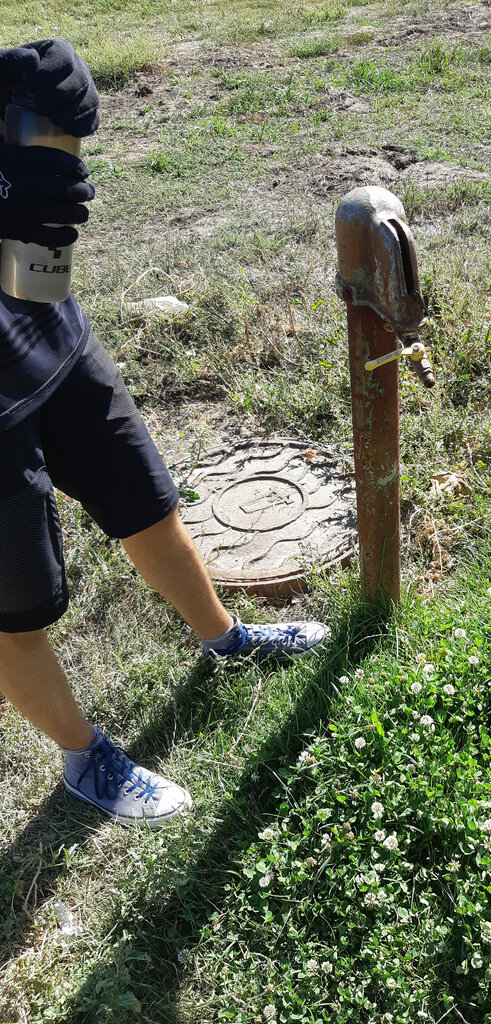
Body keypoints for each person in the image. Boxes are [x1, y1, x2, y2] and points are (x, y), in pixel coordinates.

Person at [0, 40, 328, 828]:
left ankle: (225, 639)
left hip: (46, 327)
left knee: (145, 499)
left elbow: (39, 220)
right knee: (13, 608)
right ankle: (85, 758)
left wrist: (26, 84)